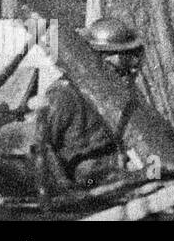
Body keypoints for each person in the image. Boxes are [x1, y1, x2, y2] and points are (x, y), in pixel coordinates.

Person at [34, 16, 144, 194]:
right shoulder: (64, 95)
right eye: (124, 55)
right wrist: (65, 188)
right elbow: (42, 147)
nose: (132, 64)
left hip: (123, 172)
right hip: (90, 185)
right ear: (100, 57)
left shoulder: (124, 93)